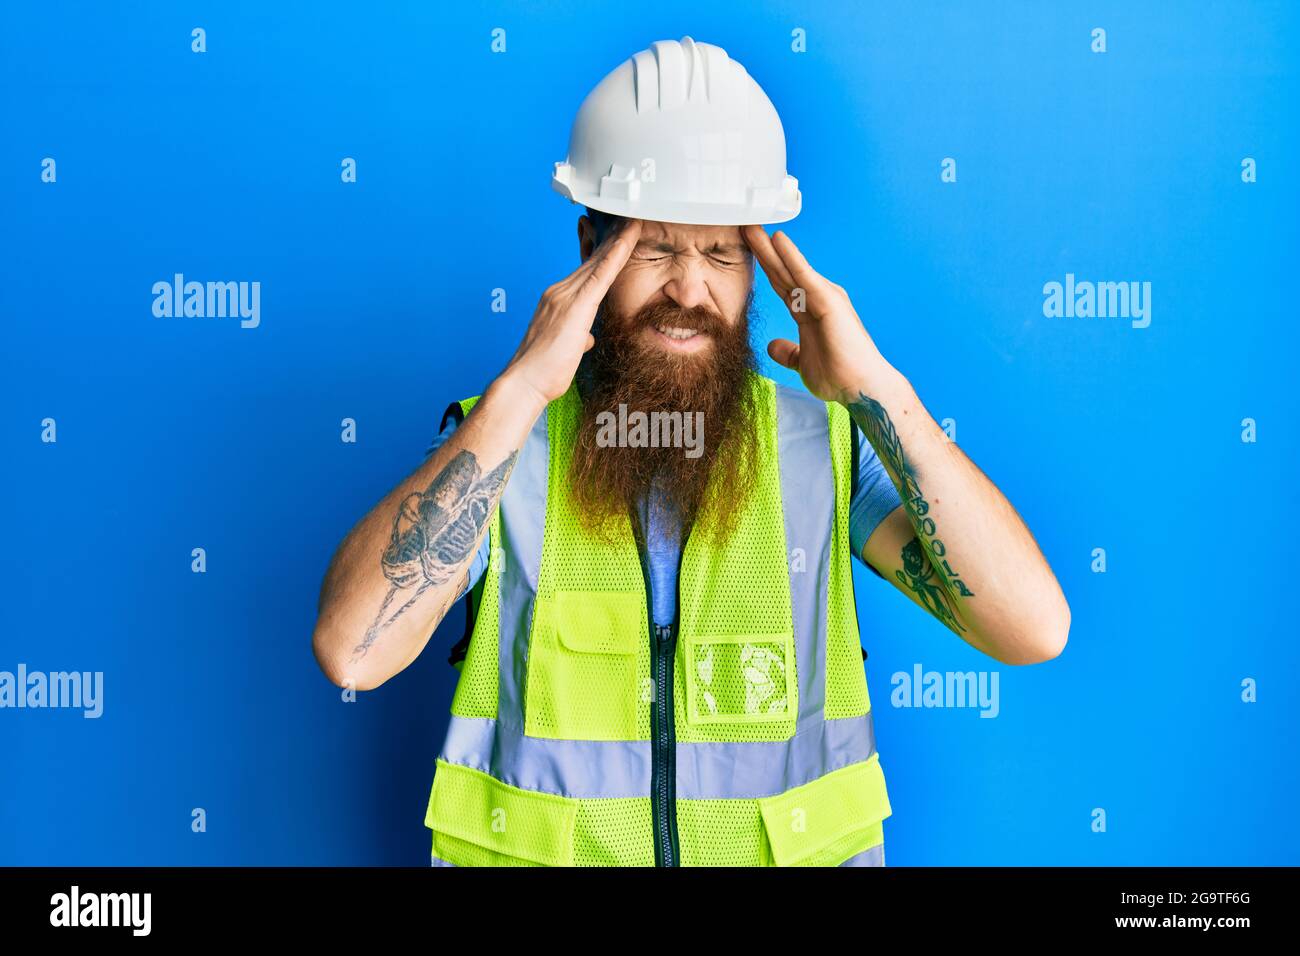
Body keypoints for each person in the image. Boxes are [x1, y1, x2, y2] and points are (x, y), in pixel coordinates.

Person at [311, 37, 1070, 867]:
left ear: (757, 276)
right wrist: (520, 392)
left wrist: (879, 393)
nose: (689, 289)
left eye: (721, 255)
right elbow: (354, 651)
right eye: (655, 249)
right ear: (588, 251)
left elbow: (1030, 628)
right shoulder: (504, 449)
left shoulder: (825, 446)